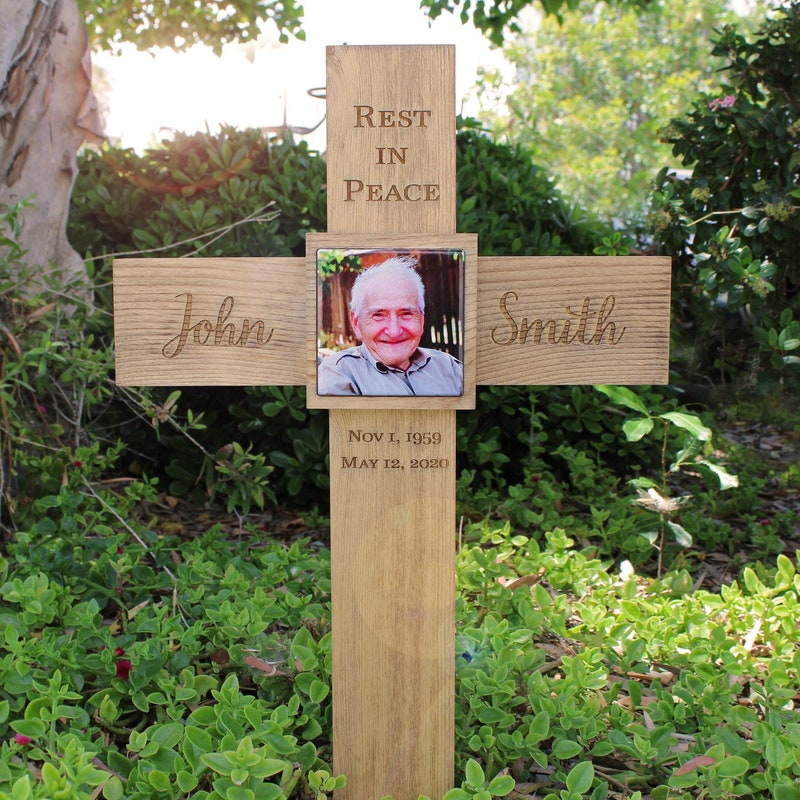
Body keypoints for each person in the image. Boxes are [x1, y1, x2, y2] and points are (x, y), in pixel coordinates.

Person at [317, 256, 463, 396]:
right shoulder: (338, 374)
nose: (394, 331)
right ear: (356, 323)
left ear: (422, 320)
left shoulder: (450, 368)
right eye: (378, 315)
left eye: (406, 313)